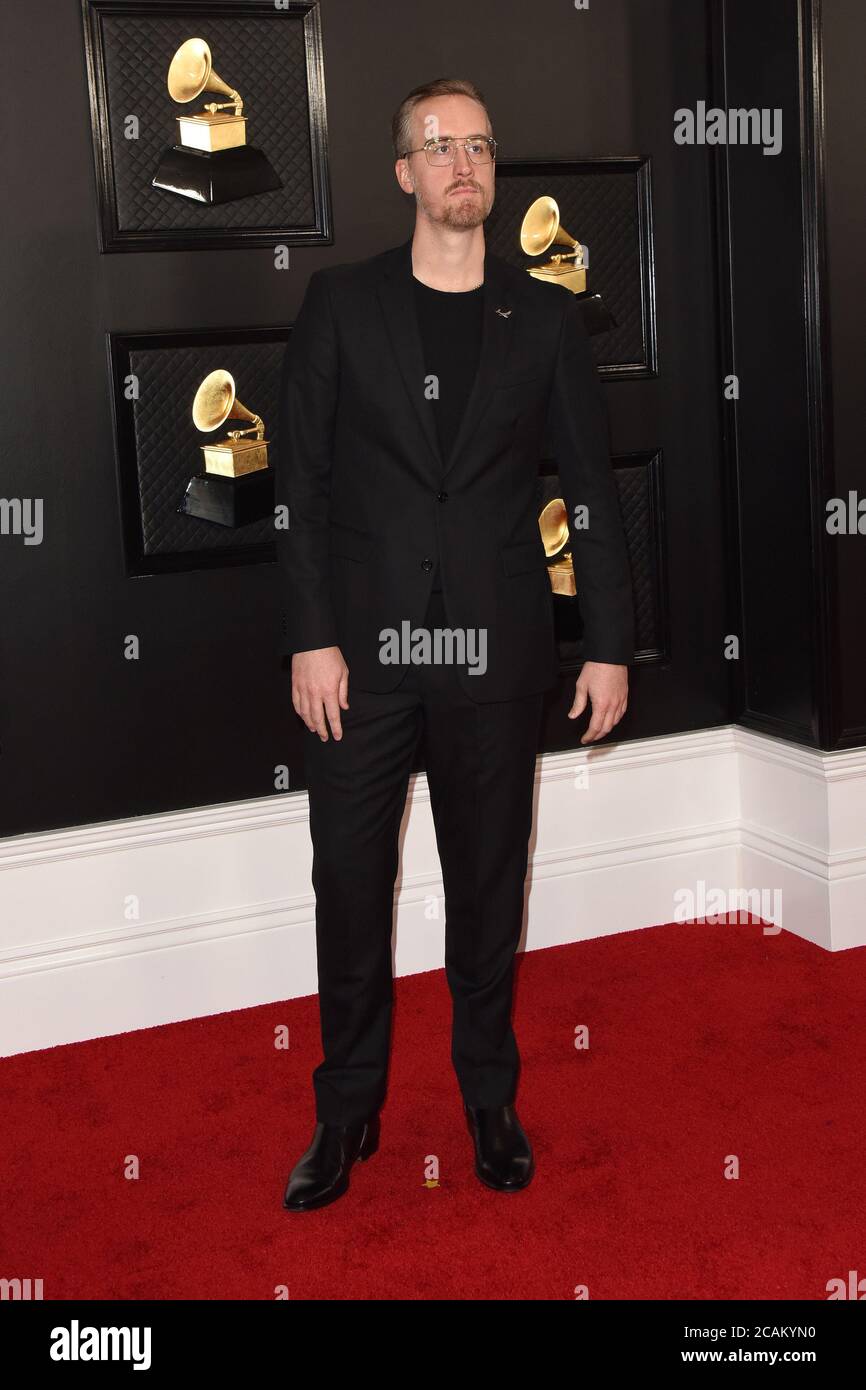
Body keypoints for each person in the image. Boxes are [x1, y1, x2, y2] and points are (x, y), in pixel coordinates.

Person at [276, 77, 634, 1211]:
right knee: (349, 882)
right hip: (363, 654)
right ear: (402, 173)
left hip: (496, 646)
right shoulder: (340, 303)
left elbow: (587, 489)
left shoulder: (542, 317)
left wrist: (608, 642)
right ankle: (346, 1114)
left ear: (491, 167)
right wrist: (312, 638)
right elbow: (301, 485)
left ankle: (487, 1095)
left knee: (486, 880)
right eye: (437, 147)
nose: (460, 164)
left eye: (477, 145)